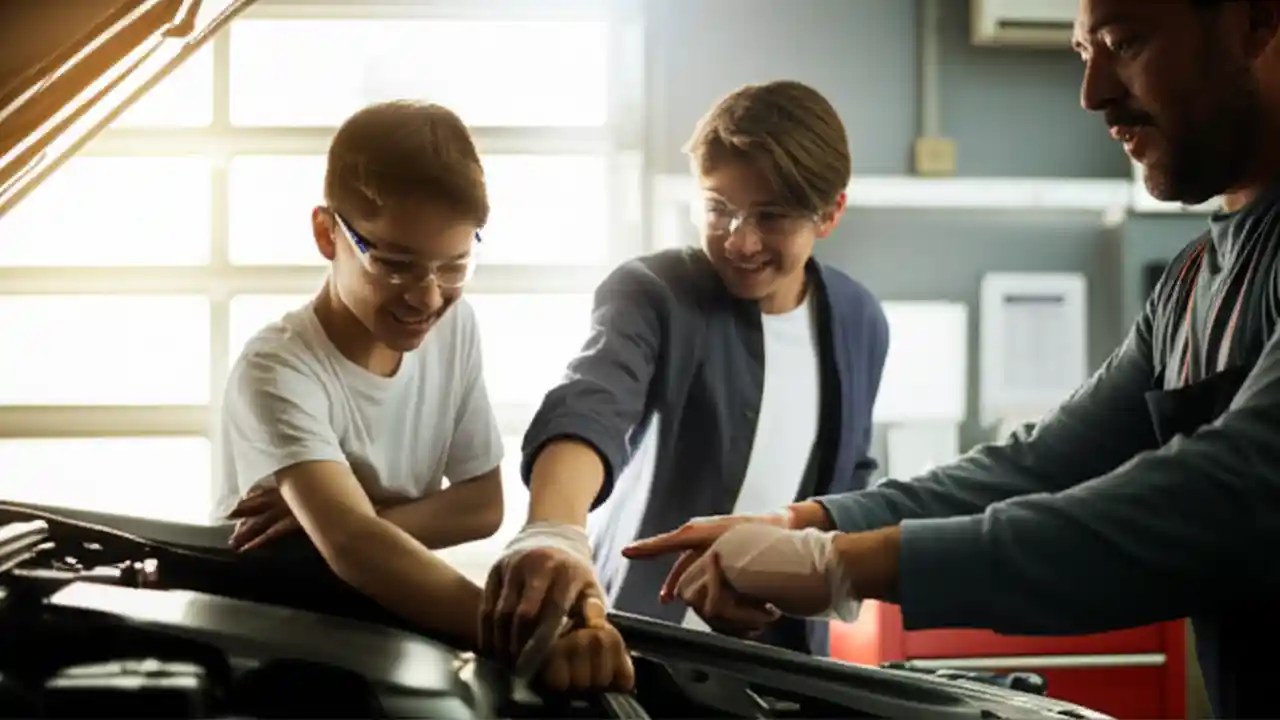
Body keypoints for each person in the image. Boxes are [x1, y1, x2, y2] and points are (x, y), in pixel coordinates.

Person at [623, 0, 1280, 717]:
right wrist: (807, 525)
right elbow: (1043, 464)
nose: (1092, 93)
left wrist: (841, 564)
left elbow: (1234, 493)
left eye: (1123, 43)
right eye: (1082, 52)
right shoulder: (1191, 283)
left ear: (1257, 20)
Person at [215, 100, 633, 693]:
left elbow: (482, 504)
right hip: (272, 643)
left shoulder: (455, 330)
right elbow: (357, 549)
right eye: (395, 264)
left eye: (454, 266)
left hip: (387, 630)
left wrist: (356, 521)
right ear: (326, 232)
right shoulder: (278, 368)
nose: (428, 297)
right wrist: (529, 638)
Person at [479, 80, 890, 668]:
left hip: (784, 662)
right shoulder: (654, 293)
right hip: (636, 645)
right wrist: (554, 530)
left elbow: (850, 481)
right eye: (719, 207)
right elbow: (591, 406)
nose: (740, 240)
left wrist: (808, 587)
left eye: (770, 217)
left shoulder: (859, 319)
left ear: (829, 214)